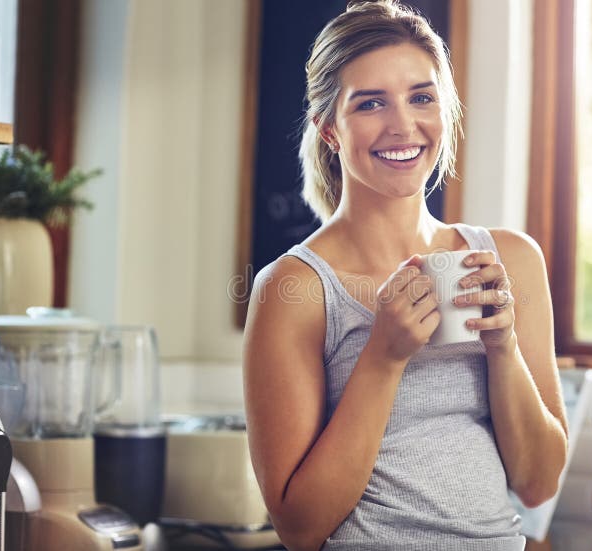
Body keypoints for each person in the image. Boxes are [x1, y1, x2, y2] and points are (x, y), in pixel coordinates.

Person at [242, 2, 568, 549]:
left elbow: (538, 485)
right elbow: (299, 528)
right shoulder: (293, 289)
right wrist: (383, 356)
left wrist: (503, 346)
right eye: (371, 103)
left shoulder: (512, 260)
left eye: (422, 97)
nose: (403, 126)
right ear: (329, 130)